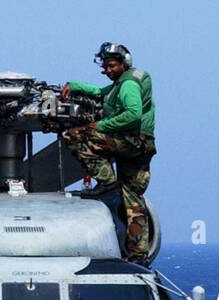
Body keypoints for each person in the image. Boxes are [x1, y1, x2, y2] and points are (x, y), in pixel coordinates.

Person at [61, 42, 157, 262]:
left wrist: (99, 126)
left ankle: (107, 182)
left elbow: (133, 113)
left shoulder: (128, 86)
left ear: (124, 63)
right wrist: (75, 85)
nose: (108, 70)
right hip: (143, 146)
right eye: (105, 66)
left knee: (74, 136)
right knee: (133, 199)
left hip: (131, 141)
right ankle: (138, 256)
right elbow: (99, 92)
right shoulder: (123, 83)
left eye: (112, 66)